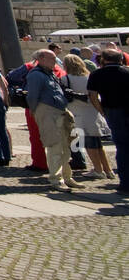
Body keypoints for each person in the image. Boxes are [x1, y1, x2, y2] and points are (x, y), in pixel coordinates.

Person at [27, 49, 79, 191]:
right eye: (52, 59)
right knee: (54, 146)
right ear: (41, 59)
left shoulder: (49, 73)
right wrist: (35, 112)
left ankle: (67, 176)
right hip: (48, 112)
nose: (55, 62)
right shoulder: (36, 75)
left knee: (65, 146)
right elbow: (32, 96)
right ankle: (56, 179)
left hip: (59, 112)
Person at [61, 54, 113, 180]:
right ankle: (108, 170)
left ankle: (98, 169)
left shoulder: (66, 79)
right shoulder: (90, 77)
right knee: (98, 144)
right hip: (93, 112)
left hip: (77, 113)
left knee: (89, 144)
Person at [87, 48, 129, 194]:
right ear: (121, 59)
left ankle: (125, 183)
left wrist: (102, 111)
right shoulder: (127, 72)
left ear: (103, 60)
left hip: (112, 111)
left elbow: (92, 96)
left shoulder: (96, 74)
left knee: (122, 147)